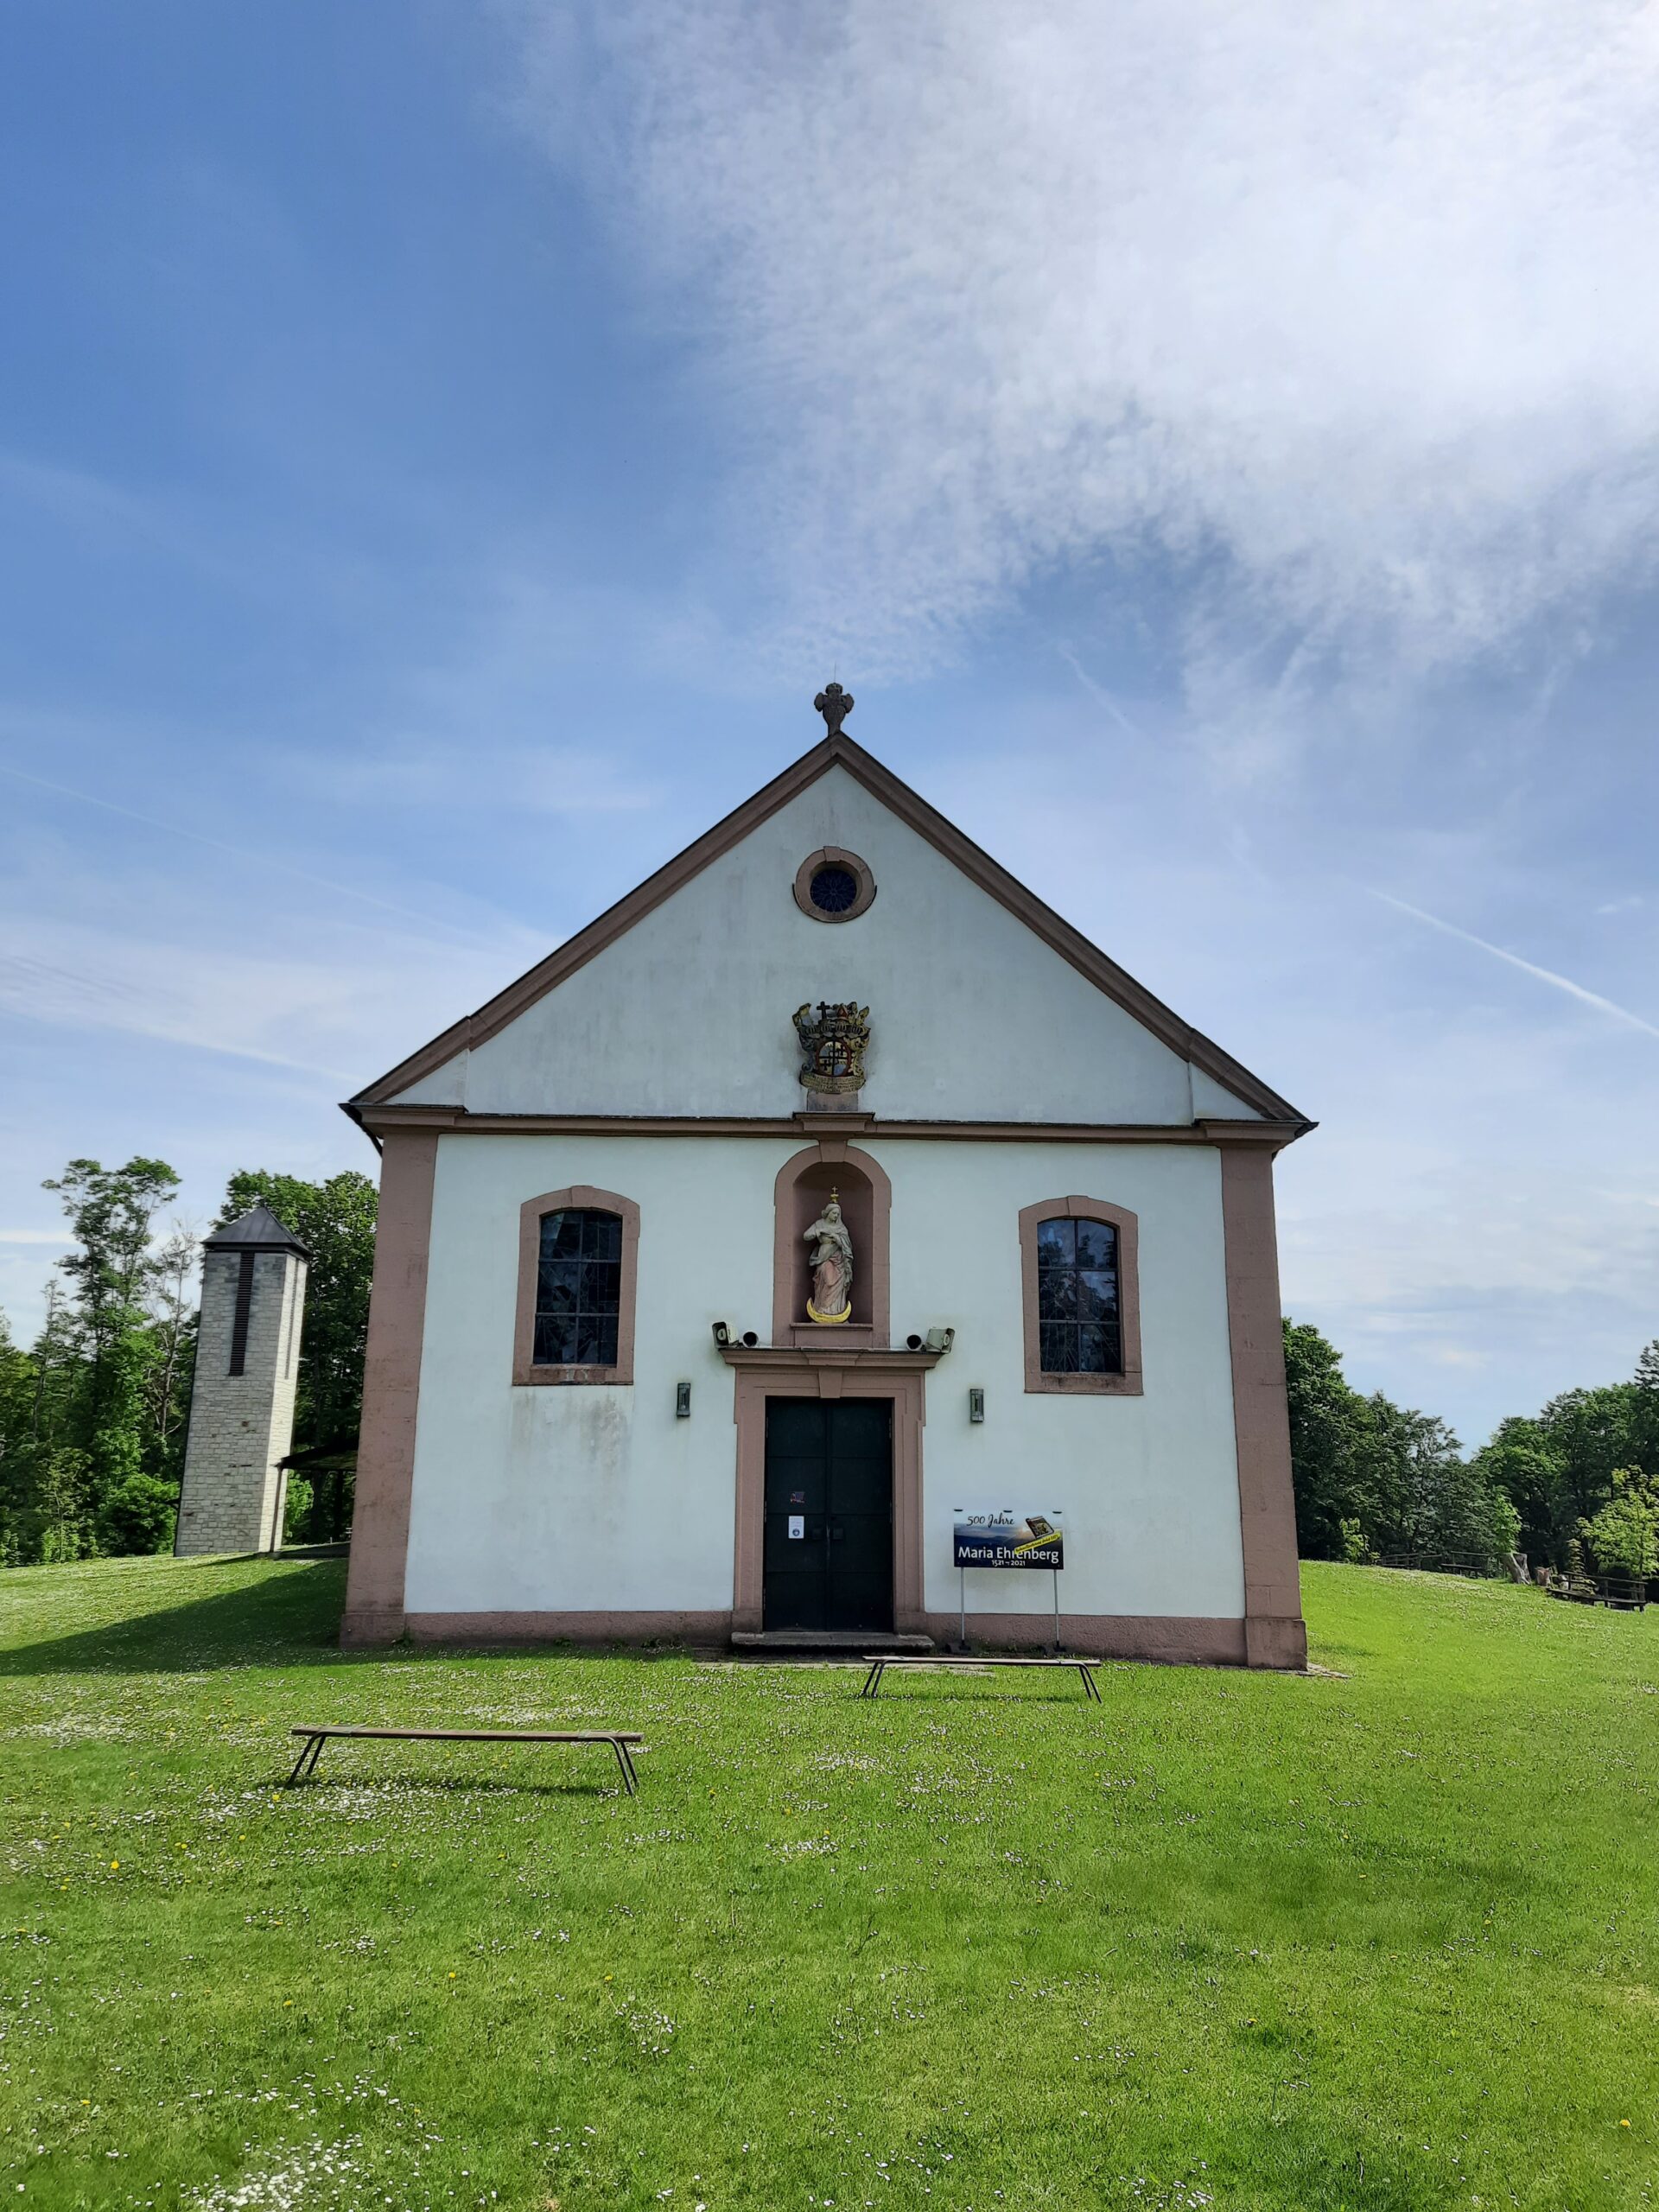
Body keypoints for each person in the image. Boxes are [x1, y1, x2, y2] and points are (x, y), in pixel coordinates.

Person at [804, 1192, 854, 1323]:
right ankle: (822, 1309)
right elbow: (806, 1236)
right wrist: (817, 1232)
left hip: (839, 1259)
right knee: (825, 1278)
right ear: (828, 1213)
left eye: (838, 1214)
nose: (836, 1216)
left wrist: (838, 1239)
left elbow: (847, 1245)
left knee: (838, 1284)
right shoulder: (819, 1224)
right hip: (824, 1257)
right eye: (834, 1213)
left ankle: (836, 1310)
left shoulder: (841, 1228)